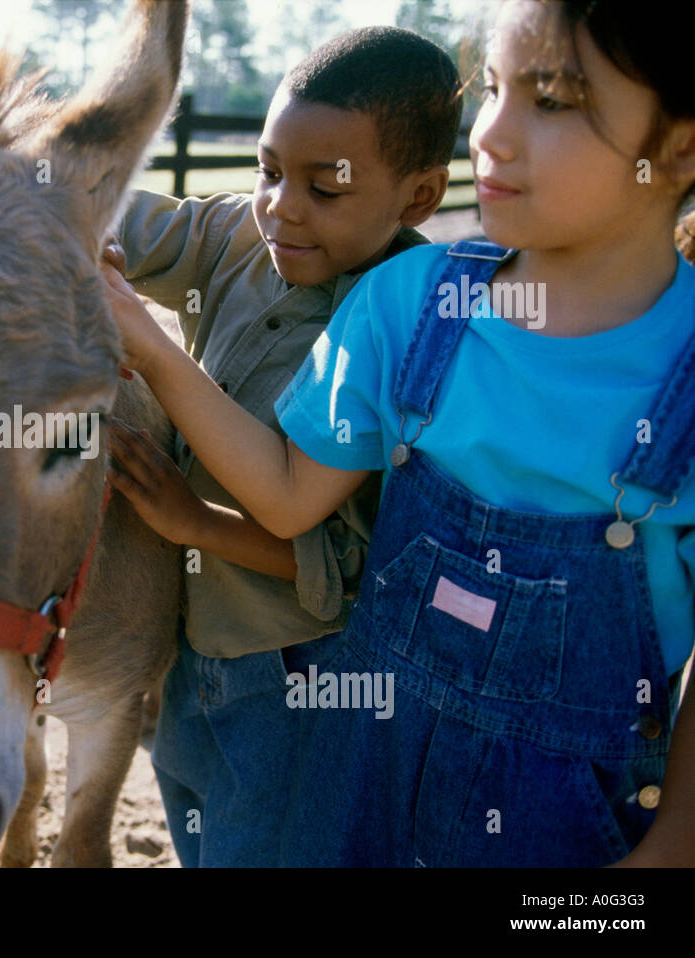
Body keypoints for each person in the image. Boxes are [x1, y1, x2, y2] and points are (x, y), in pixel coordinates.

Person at [104, 0, 695, 866]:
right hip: (355, 805)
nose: (490, 132)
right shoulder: (408, 302)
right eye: (493, 88)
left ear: (679, 148)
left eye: (555, 100)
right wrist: (150, 350)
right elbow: (283, 493)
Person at [103, 26, 460, 865]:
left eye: (325, 187)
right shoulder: (240, 239)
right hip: (193, 659)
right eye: (268, 170)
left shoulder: (400, 329)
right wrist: (59, 210)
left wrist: (195, 526)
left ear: (417, 198)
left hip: (297, 680)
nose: (282, 206)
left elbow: (340, 566)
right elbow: (105, 208)